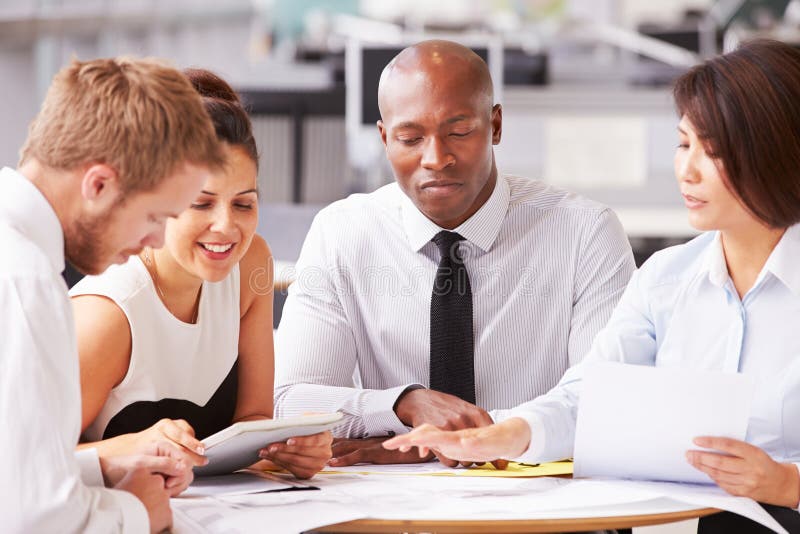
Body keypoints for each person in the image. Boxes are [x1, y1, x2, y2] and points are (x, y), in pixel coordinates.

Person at [384, 39, 800, 532]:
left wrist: (786, 483)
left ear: (778, 153)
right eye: (684, 143)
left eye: (713, 151)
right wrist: (503, 435)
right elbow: (590, 397)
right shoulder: (667, 278)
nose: (687, 170)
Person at [274, 39, 636, 467]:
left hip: (537, 509)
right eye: (410, 138)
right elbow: (290, 403)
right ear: (384, 138)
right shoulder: (343, 232)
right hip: (394, 511)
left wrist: (436, 442)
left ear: (495, 125)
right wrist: (402, 406)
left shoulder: (585, 233)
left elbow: (604, 401)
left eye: (459, 132)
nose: (436, 158)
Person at [70, 69, 332, 480]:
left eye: (243, 204)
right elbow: (25, 462)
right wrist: (124, 450)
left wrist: (286, 449)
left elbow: (254, 419)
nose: (226, 227)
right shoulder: (107, 315)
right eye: (201, 203)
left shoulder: (251, 265)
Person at [0, 57, 226, 533]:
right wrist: (136, 513)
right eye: (154, 217)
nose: (158, 241)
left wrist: (96, 469)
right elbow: (32, 520)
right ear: (98, 184)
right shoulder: (27, 282)